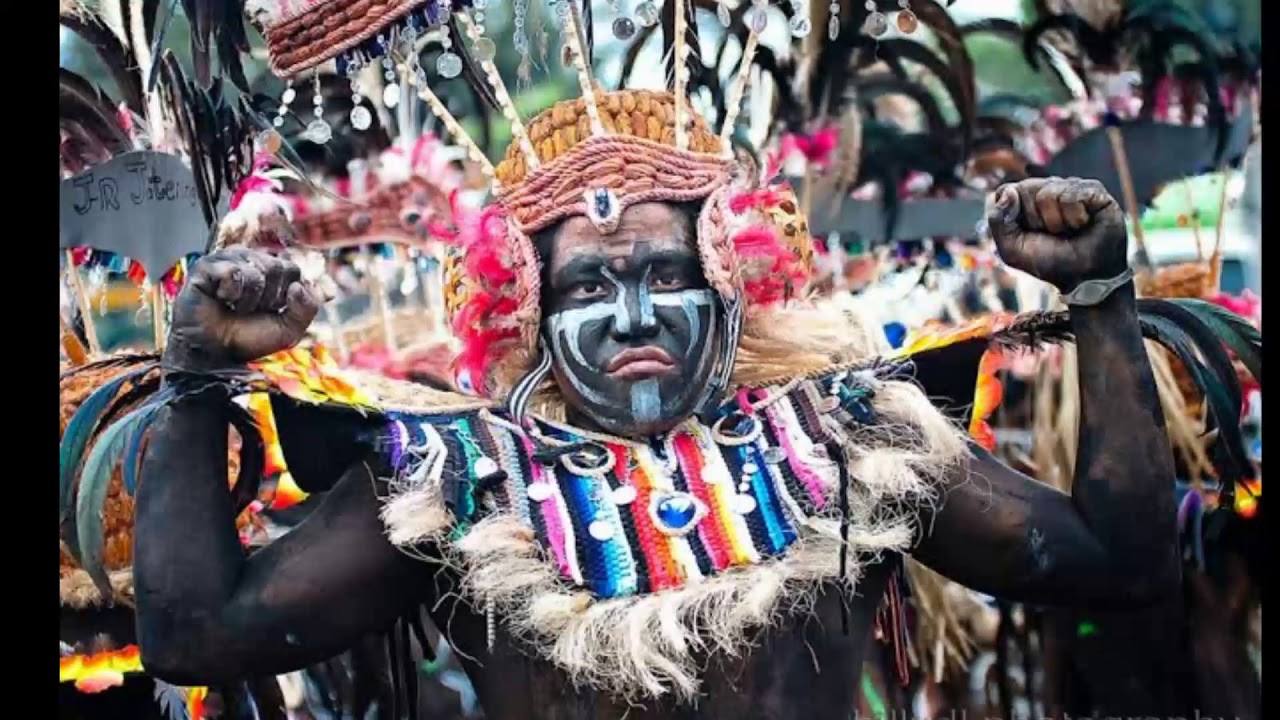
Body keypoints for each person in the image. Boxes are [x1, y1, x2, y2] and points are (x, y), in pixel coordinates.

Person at [133, 84, 1183, 715]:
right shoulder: (458, 487)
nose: (633, 315)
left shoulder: (847, 443)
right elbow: (198, 639)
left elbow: (1119, 564)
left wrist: (1098, 297)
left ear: (727, 289)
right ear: (528, 314)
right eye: (589, 285)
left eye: (664, 277)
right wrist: (194, 380)